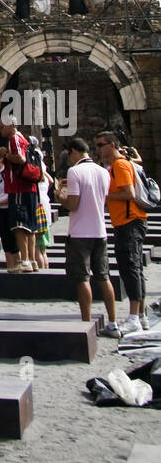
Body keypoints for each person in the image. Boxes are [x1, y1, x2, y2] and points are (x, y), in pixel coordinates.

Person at [55, 137, 121, 337]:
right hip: (100, 231)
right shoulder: (103, 172)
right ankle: (113, 322)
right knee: (104, 277)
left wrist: (59, 196)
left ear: (74, 152)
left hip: (80, 232)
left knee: (82, 278)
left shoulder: (75, 171)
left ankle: (86, 322)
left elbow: (73, 204)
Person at [96, 130, 149, 333]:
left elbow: (129, 193)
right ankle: (141, 316)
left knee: (130, 268)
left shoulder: (119, 165)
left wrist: (106, 196)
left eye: (101, 144)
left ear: (112, 145)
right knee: (133, 268)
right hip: (125, 222)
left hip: (130, 222)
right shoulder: (115, 166)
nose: (98, 149)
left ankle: (134, 316)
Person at [0, 120, 38, 272]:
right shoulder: (24, 139)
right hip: (28, 188)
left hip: (19, 187)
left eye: (2, 126)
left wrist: (6, 154)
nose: (0, 129)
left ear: (11, 126)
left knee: (19, 225)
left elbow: (20, 158)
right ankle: (32, 260)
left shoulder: (14, 138)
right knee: (30, 226)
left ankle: (25, 260)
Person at [0, 146, 20, 272]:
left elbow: (11, 194)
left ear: (1, 158)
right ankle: (10, 268)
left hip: (7, 210)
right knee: (5, 242)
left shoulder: (7, 173)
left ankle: (16, 267)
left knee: (12, 242)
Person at [32, 140, 54, 271]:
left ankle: (42, 274)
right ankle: (46, 271)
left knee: (36, 248)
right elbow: (51, 181)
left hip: (37, 207)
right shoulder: (43, 172)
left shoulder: (36, 173)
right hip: (45, 205)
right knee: (43, 249)